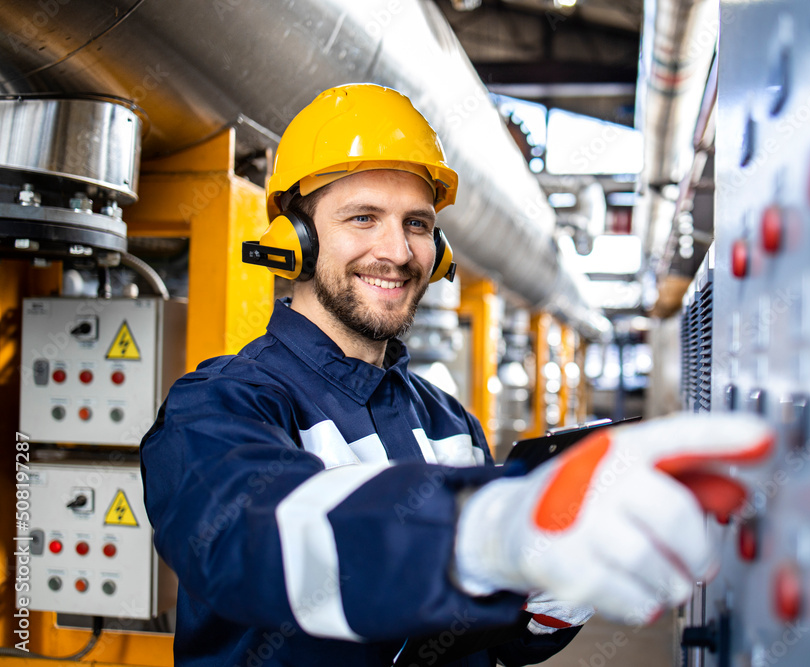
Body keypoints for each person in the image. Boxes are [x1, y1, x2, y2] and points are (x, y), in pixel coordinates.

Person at [140, 84, 773, 667]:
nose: (397, 251)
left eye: (417, 224)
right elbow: (249, 539)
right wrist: (493, 527)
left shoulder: (447, 421)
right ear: (295, 239)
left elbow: (497, 639)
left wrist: (566, 579)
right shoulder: (219, 405)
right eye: (363, 218)